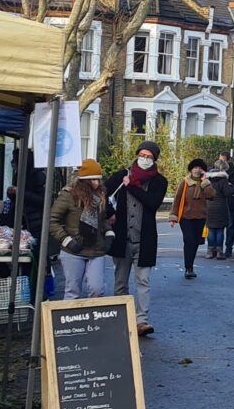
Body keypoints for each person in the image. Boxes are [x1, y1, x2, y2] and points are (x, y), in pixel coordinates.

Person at [106, 141, 168, 335]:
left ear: (155, 159)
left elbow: (152, 203)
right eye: (142, 155)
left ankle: (142, 320)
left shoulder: (159, 181)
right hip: (122, 236)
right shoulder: (122, 175)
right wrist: (109, 213)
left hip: (144, 238)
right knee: (120, 280)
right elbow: (101, 195)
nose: (145, 159)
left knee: (143, 280)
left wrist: (132, 187)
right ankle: (120, 316)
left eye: (149, 156)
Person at [49, 158, 114, 298]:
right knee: (72, 291)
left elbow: (102, 219)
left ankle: (96, 319)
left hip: (96, 249)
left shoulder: (101, 194)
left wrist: (109, 233)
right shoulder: (68, 195)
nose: (96, 183)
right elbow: (53, 220)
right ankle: (70, 319)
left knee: (98, 290)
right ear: (84, 180)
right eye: (92, 179)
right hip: (73, 249)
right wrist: (67, 241)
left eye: (98, 179)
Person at [174, 159, 216, 279]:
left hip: (200, 217)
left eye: (199, 168)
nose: (197, 170)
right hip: (186, 217)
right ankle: (188, 268)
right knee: (189, 240)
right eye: (195, 168)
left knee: (196, 242)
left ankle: (191, 265)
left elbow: (211, 195)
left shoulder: (206, 183)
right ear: (191, 169)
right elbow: (177, 199)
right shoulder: (185, 182)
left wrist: (205, 183)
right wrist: (173, 216)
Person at [207, 152, 234, 259]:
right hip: (223, 205)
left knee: (212, 229)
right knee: (221, 229)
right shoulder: (224, 179)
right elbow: (230, 191)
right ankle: (221, 251)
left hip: (211, 206)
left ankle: (211, 250)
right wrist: (230, 187)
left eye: (224, 160)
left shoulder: (209, 177)